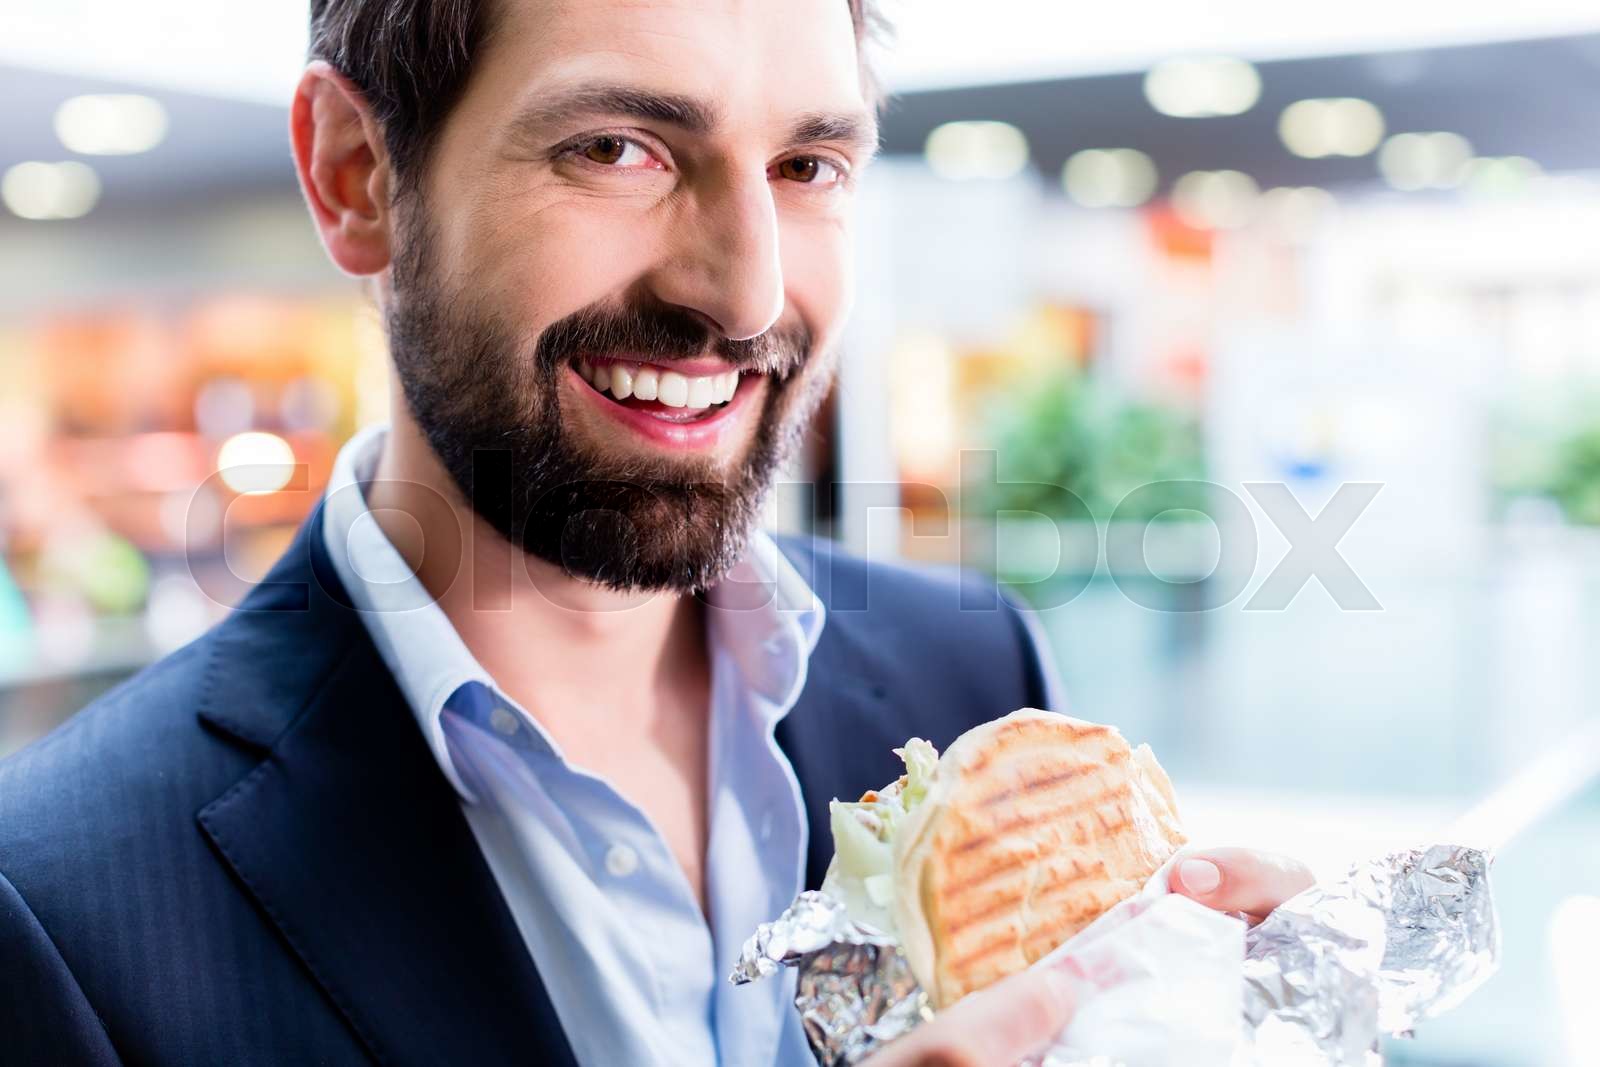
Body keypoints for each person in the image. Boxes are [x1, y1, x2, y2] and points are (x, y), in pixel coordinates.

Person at [0, 1, 1311, 1063]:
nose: (746, 292)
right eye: (619, 147)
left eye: (809, 166)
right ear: (357, 177)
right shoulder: (61, 917)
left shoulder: (975, 681)